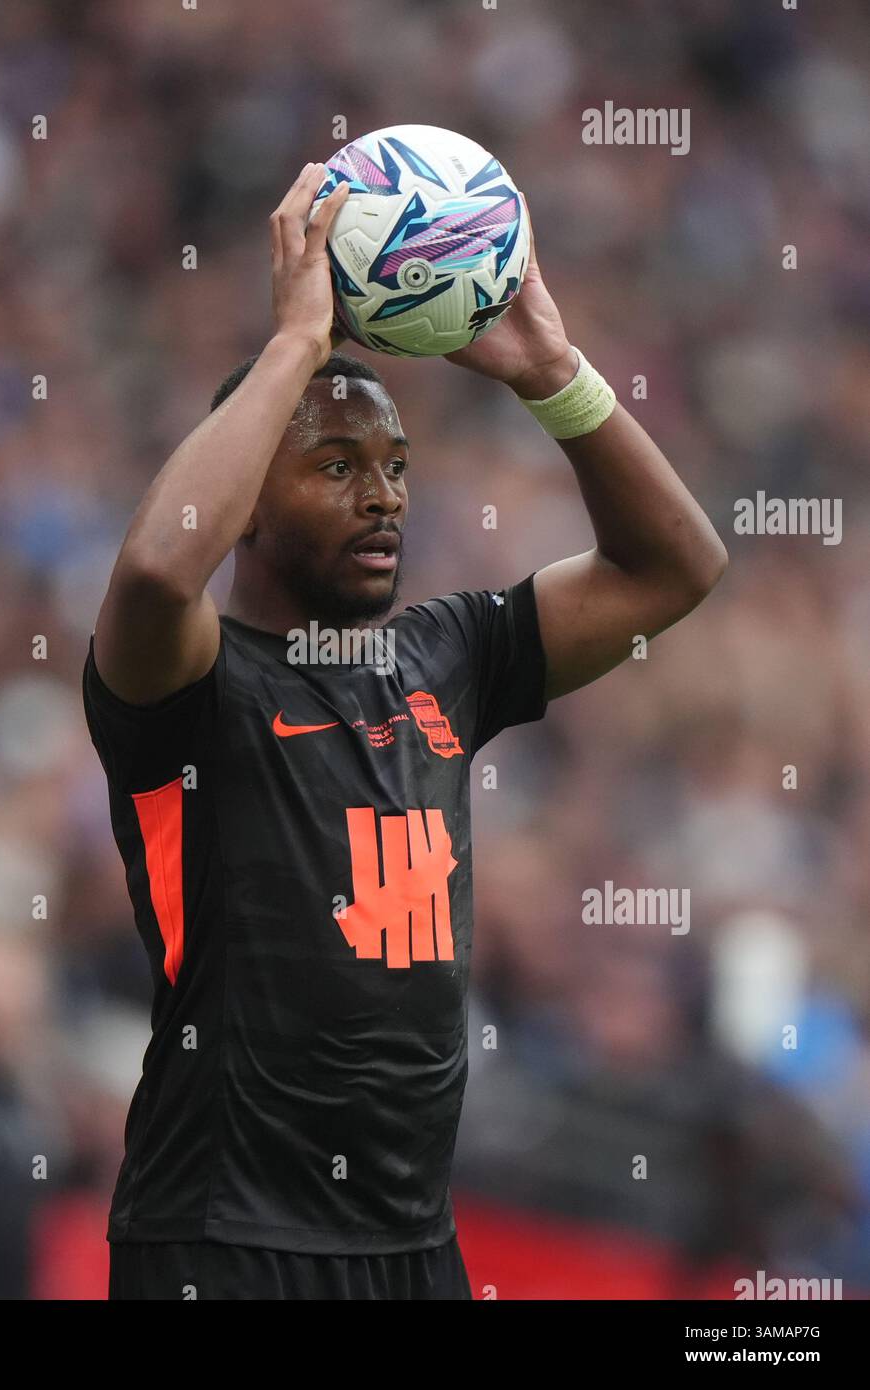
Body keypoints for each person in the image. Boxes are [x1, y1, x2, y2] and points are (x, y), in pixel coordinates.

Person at [83, 160, 728, 1300]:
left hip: (413, 1244)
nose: (382, 496)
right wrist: (292, 347)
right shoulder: (187, 681)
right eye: (334, 466)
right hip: (225, 1236)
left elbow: (677, 566)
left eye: (393, 467)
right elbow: (149, 565)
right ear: (246, 505)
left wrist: (553, 375)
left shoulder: (445, 656)